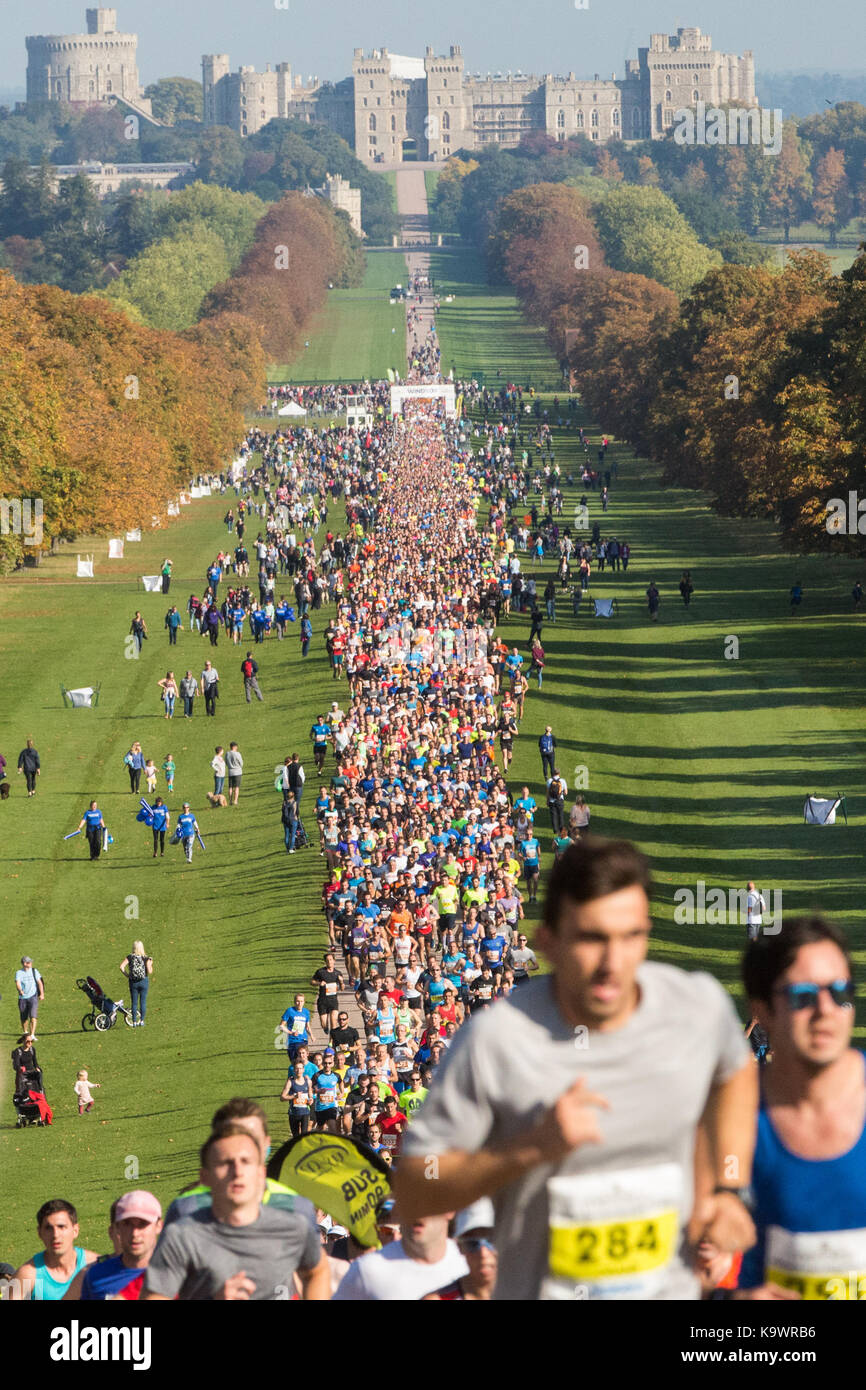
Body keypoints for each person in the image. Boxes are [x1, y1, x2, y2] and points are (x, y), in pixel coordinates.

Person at [395, 836, 758, 1301]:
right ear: (547, 941)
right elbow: (414, 1184)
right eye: (592, 938)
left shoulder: (694, 1008)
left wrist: (728, 1186)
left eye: (632, 936)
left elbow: (735, 1070)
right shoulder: (496, 1043)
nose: (614, 963)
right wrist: (529, 1149)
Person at [737, 917, 866, 1301]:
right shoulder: (729, 1117)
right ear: (763, 1011)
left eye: (840, 992)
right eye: (803, 996)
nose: (826, 1009)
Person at [141, 1125, 328, 1300]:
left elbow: (318, 1271)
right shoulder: (181, 1236)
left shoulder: (293, 1225)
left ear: (261, 1173)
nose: (237, 1171)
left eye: (246, 1162)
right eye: (226, 1163)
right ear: (205, 1178)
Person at [332, 1212, 468, 1301]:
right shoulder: (367, 1269)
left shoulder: (471, 1262)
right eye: (411, 1198)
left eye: (428, 1199)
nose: (417, 1208)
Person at [63, 1191, 163, 1302]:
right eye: (127, 1224)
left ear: (159, 1226)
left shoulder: (178, 1275)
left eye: (143, 1224)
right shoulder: (95, 1275)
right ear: (116, 1228)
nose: (135, 1233)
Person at [8, 1200, 98, 1300]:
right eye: (48, 1228)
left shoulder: (95, 1265)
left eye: (61, 1227)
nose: (55, 1235)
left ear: (75, 1230)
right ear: (39, 1233)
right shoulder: (27, 1275)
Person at [426, 1201, 498, 1300]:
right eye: (471, 1244)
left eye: (490, 1241)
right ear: (459, 1247)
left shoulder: (524, 1288)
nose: (483, 1253)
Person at [120, 941, 153, 1027]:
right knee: (143, 1002)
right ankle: (141, 1021)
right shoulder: (146, 958)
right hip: (144, 981)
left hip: (133, 982)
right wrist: (151, 964)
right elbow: (150, 971)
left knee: (134, 1003)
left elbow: (121, 966)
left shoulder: (130, 957)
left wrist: (127, 975)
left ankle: (134, 1022)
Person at [15, 955, 43, 1039]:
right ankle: (25, 1032)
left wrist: (42, 994)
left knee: (33, 1016)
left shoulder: (34, 971)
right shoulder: (19, 973)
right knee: (24, 1017)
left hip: (33, 997)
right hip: (22, 998)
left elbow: (40, 983)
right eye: (29, 962)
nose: (31, 963)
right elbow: (17, 983)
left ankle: (32, 1034)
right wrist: (20, 990)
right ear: (24, 963)